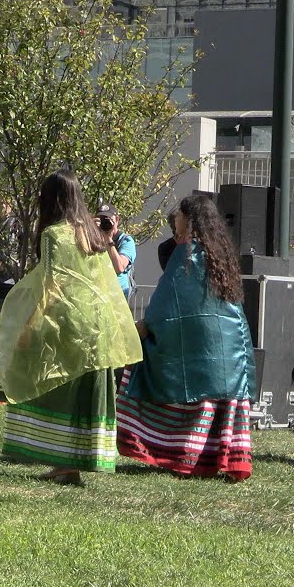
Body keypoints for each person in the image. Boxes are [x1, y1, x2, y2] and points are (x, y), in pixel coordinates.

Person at [0, 170, 141, 486]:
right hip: (98, 327)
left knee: (45, 380)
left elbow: (52, 286)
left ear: (50, 200)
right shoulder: (93, 234)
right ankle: (72, 464)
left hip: (69, 322)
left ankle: (62, 461)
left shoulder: (53, 235)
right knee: (79, 393)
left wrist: (29, 329)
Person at [117, 194, 256, 482]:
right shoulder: (219, 253)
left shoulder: (187, 253)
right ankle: (223, 457)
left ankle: (184, 454)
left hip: (203, 353)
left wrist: (146, 325)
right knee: (216, 395)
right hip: (231, 350)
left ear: (189, 220)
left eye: (178, 214)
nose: (174, 219)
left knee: (146, 363)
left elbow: (169, 303)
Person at [97, 202, 137, 299]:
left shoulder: (126, 241)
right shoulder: (93, 239)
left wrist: (108, 240)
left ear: (117, 220)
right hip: (99, 293)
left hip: (118, 297)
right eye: (101, 220)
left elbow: (119, 267)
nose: (105, 224)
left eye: (108, 220)